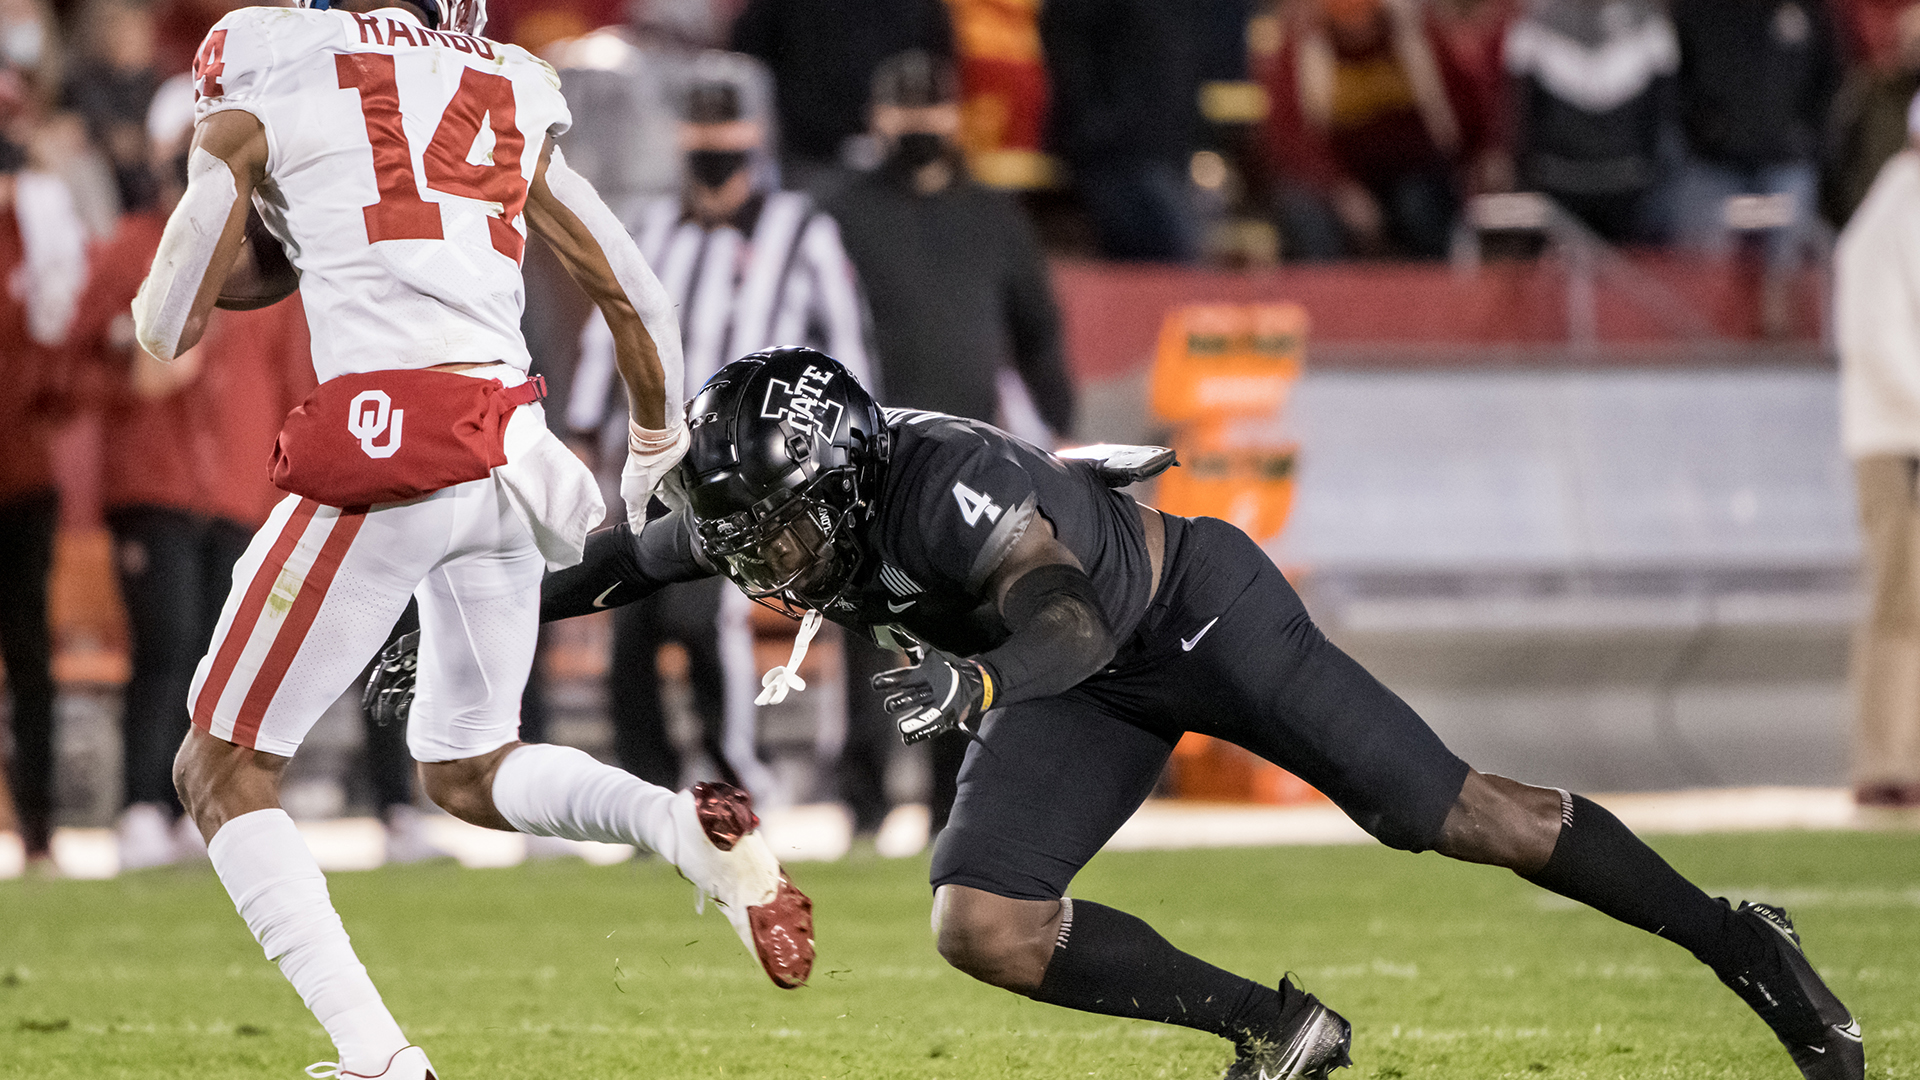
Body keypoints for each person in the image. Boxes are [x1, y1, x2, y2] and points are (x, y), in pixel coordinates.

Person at [393, 346, 1866, 1080]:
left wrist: (970, 682)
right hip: (1073, 681)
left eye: (777, 528)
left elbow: (1065, 620)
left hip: (1186, 617)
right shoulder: (787, 509)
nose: (763, 559)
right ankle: (1277, 1032)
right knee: (983, 921)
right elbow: (623, 565)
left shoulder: (946, 482)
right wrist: (458, 629)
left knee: (1459, 815)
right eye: (750, 535)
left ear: (841, 480)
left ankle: (1741, 939)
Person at [134, 2, 812, 1076]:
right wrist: (651, 446)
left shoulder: (276, 64)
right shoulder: (505, 80)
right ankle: (680, 827)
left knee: (219, 767)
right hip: (512, 451)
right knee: (468, 767)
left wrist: (235, 188)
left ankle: (377, 1059)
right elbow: (635, 292)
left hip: (391, 445)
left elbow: (168, 323)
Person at [566, 51, 873, 802]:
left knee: (704, 621)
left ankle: (737, 783)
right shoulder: (650, 227)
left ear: (756, 136)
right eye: (700, 126)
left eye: (724, 126)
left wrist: (847, 456)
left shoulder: (802, 232)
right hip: (650, 463)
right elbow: (608, 332)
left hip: (755, 478)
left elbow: (847, 354)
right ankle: (650, 795)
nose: (711, 143)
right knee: (632, 631)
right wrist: (580, 430)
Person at [63, 73, 317, 871]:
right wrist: (127, 353)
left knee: (220, 652)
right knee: (165, 640)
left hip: (243, 487)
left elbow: (293, 385)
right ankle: (142, 799)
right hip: (155, 485)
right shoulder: (134, 246)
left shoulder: (275, 266)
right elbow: (90, 369)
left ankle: (195, 806)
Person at [820, 49, 1074, 840]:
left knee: (958, 630)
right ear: (875, 119)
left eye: (930, 109)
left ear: (954, 116)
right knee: (862, 631)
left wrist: (1057, 422)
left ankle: (948, 809)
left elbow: (1037, 333)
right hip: (861, 462)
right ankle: (862, 805)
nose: (917, 124)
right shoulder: (841, 212)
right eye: (902, 110)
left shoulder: (994, 216)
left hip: (964, 462)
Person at [1256, 0, 1503, 260]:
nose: (1357, 29)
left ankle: (1433, 294)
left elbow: (1462, 100)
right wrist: (1338, 188)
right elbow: (1287, 136)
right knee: (1306, 214)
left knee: (1419, 207)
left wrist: (1484, 151)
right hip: (1336, 180)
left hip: (1413, 171)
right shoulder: (1302, 45)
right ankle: (1329, 296)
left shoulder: (1415, 34)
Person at [1835, 94, 1920, 810]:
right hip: (1900, 440)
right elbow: (1880, 342)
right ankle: (1887, 760)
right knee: (1902, 599)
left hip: (1905, 429)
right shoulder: (1894, 217)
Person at [0, 136, 63, 874]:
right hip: (24, 469)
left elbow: (57, 356)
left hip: (24, 481)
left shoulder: (35, 236)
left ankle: (40, 828)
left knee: (30, 656)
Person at [728, 0, 953, 189]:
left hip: (898, 153)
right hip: (810, 153)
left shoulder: (920, 6)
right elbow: (748, 58)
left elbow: (939, 67)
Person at [1504, 0, 1679, 243]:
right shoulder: (1535, 22)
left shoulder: (1649, 22)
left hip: (1631, 186)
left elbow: (1666, 110)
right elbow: (1518, 110)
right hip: (1557, 182)